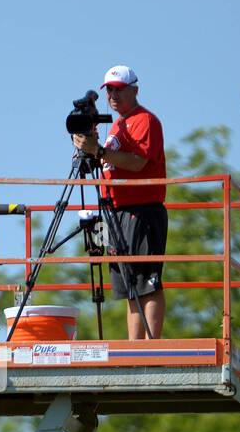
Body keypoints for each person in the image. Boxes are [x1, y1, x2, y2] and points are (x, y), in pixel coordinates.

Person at [71, 65, 168, 340]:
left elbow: (137, 163)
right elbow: (107, 161)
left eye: (118, 89)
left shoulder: (145, 120)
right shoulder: (118, 124)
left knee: (148, 281)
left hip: (142, 208)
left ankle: (151, 347)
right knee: (130, 285)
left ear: (134, 90)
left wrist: (99, 150)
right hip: (118, 210)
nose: (113, 95)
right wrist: (89, 151)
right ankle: (136, 347)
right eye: (109, 90)